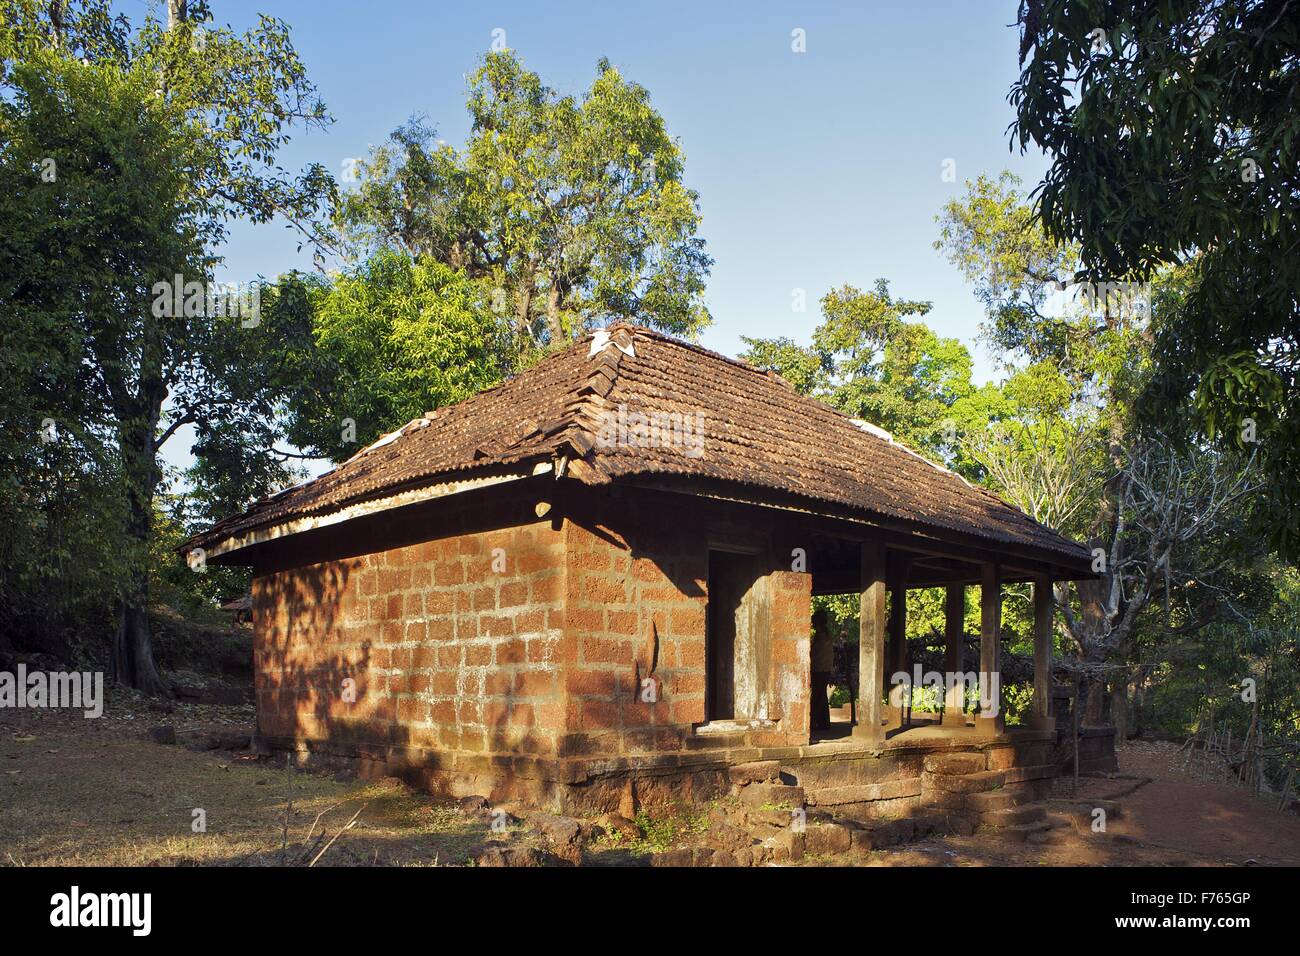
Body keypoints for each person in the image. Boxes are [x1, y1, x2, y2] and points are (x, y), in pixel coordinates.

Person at [810, 607, 834, 732]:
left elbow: (817, 655)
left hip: (820, 669)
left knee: (817, 697)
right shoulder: (825, 636)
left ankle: (814, 722)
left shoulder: (823, 637)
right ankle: (823, 723)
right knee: (821, 696)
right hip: (823, 669)